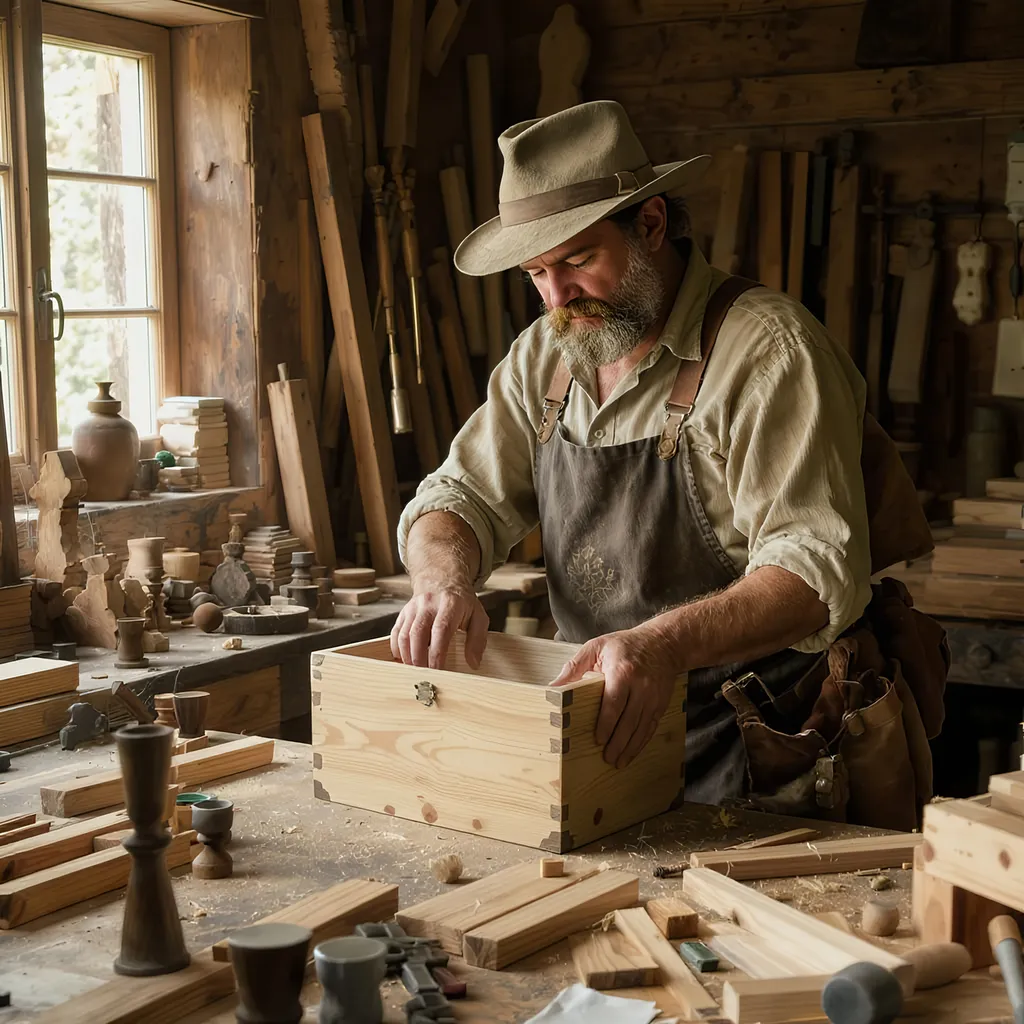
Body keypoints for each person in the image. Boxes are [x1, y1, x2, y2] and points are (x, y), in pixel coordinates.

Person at [389, 100, 936, 810]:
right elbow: (453, 500)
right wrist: (443, 582)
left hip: (765, 741)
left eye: (578, 260)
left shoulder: (769, 353)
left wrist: (661, 645)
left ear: (650, 224)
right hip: (602, 731)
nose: (558, 299)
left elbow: (812, 570)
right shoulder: (545, 358)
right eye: (535, 274)